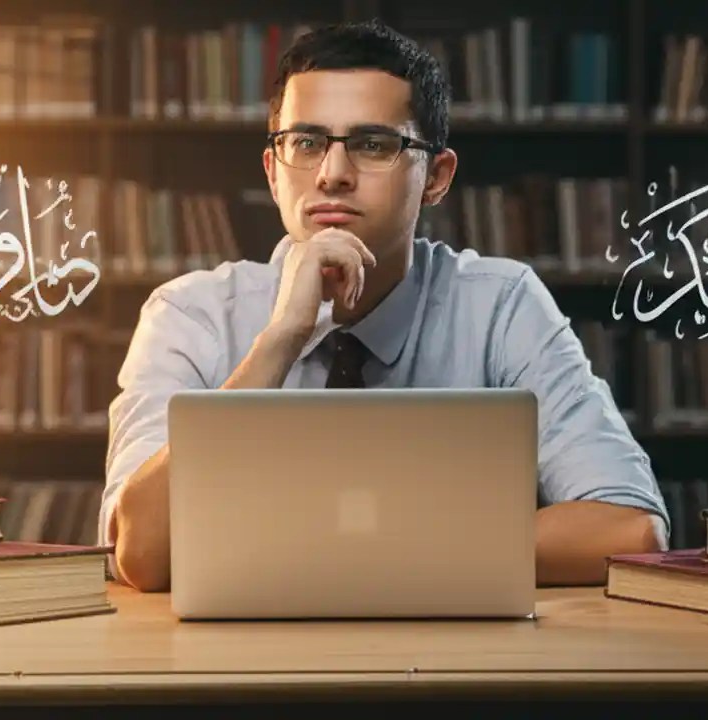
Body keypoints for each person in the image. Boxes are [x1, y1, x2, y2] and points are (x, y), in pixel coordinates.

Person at [100, 19, 669, 593]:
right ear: (274, 174)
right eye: (306, 142)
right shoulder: (189, 315)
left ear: (437, 177)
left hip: (453, 669)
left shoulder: (501, 306)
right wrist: (280, 342)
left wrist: (355, 554)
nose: (333, 174)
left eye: (373, 144)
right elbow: (143, 552)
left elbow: (629, 529)